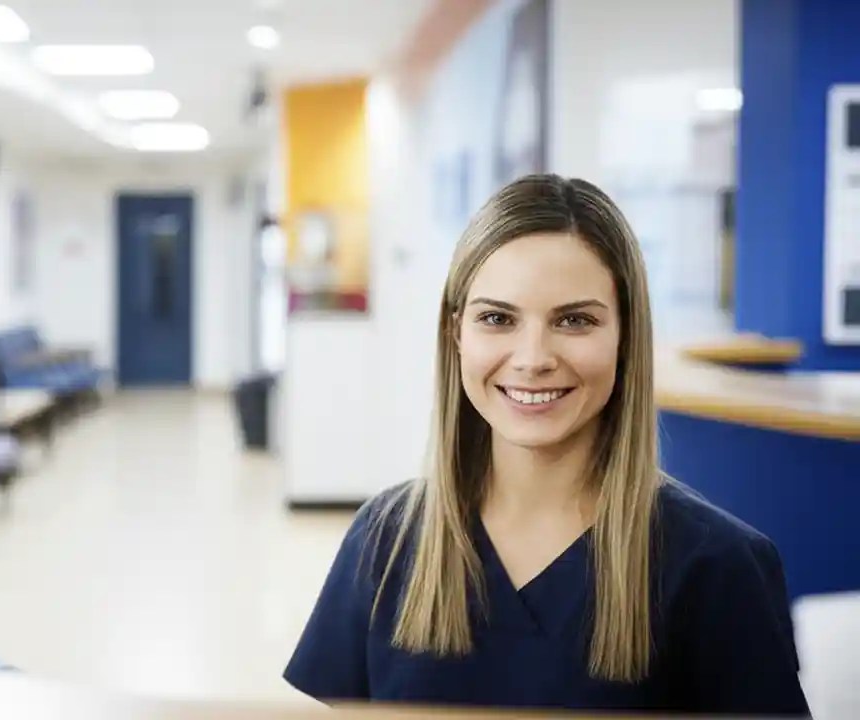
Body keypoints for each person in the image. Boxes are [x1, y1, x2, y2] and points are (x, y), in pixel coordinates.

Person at [283, 175, 809, 716]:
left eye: (575, 320)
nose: (533, 357)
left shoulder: (719, 565)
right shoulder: (385, 541)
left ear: (626, 336)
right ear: (455, 334)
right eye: (497, 318)